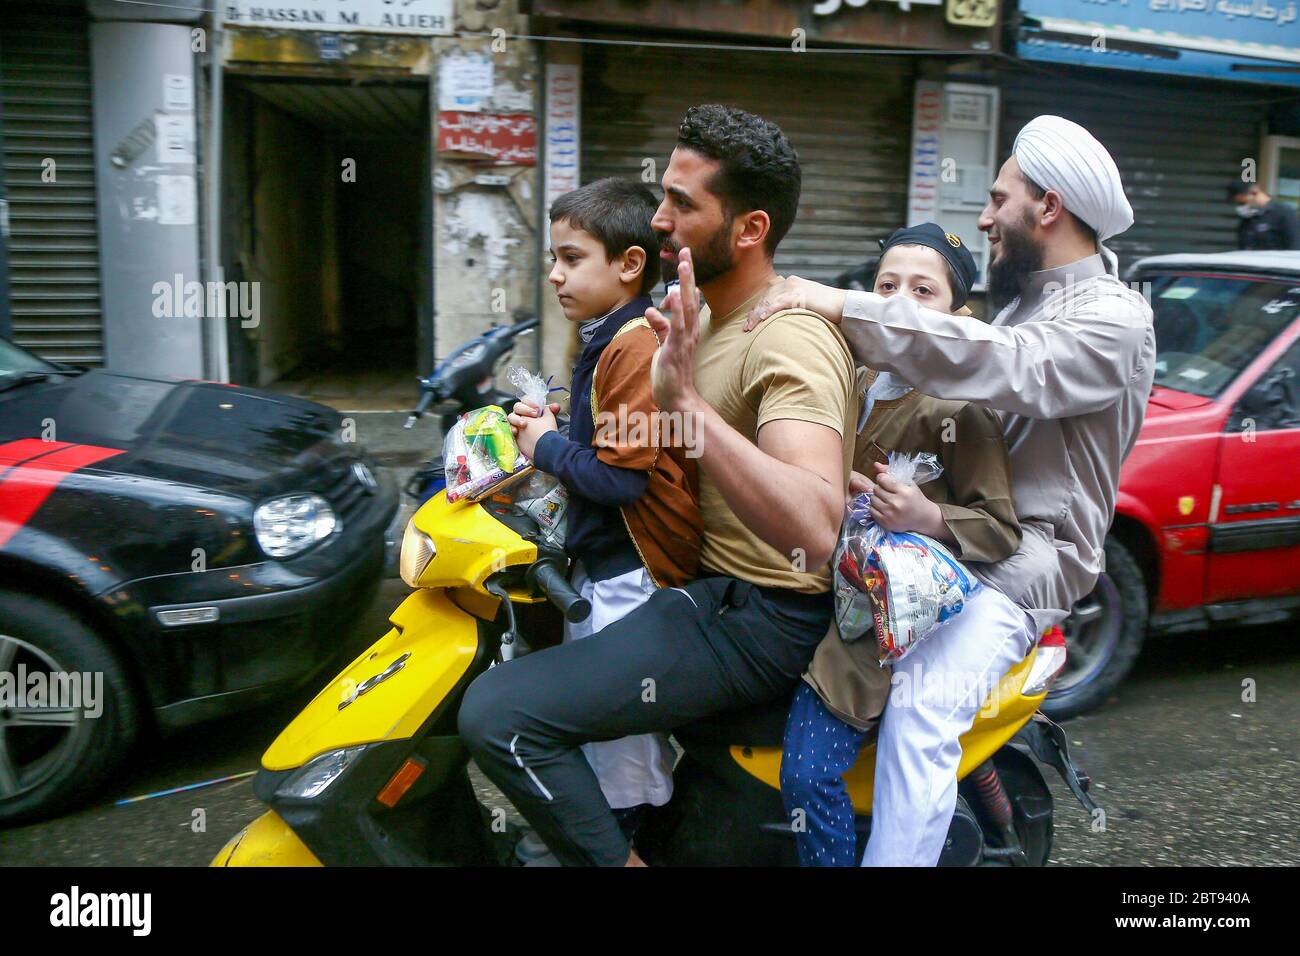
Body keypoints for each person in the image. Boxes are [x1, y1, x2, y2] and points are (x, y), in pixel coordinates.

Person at [746, 114, 1156, 866]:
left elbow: (1008, 364)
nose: (985, 217)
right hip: (938, 549)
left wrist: (843, 303)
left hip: (1027, 563)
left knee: (925, 703)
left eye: (1000, 200)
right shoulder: (1029, 300)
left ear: (1050, 207)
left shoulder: (1111, 318)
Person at [458, 104, 857, 866]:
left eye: (682, 203)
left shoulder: (789, 337)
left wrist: (690, 411)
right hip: (704, 587)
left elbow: (814, 525)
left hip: (764, 615)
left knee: (500, 714)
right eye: (662, 197)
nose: (661, 218)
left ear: (749, 228)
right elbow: (643, 452)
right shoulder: (696, 317)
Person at [779, 223, 1022, 867]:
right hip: (802, 584)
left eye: (923, 291)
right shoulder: (847, 375)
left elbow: (999, 528)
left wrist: (925, 515)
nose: (899, 304)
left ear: (958, 317)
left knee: (805, 777)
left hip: (869, 625)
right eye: (888, 286)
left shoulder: (960, 406)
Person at [507, 177, 703, 845]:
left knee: (620, 750)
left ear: (628, 265)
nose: (556, 275)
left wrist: (546, 445)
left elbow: (620, 483)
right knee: (609, 741)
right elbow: (615, 446)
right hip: (607, 569)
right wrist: (560, 429)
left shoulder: (632, 344)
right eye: (554, 260)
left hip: (631, 576)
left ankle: (626, 845)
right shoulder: (604, 338)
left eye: (571, 258)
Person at [1228, 181, 1300, 251]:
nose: (1242, 207)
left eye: (1243, 203)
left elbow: (1294, 246)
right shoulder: (1247, 219)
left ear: (1254, 192)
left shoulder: (1284, 213)